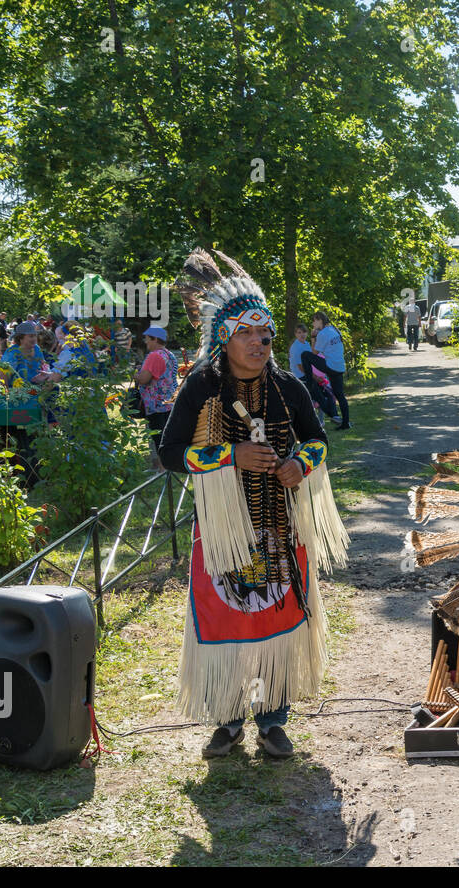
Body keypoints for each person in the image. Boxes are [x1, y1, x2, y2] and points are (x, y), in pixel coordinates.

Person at [160, 249, 348, 759]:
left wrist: (300, 466)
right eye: (247, 331)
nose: (260, 341)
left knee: (276, 622)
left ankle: (272, 720)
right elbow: (170, 453)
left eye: (265, 333)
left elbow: (318, 439)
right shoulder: (200, 387)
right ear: (223, 336)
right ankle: (225, 720)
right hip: (223, 530)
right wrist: (230, 455)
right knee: (228, 618)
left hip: (281, 526)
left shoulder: (289, 388)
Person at [134, 325, 178, 457]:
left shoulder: (153, 356)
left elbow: (143, 379)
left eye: (147, 339)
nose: (145, 341)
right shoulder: (169, 355)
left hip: (155, 405)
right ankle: (164, 465)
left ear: (155, 339)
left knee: (158, 439)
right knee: (167, 436)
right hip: (169, 403)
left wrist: (136, 374)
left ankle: (162, 468)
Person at [301, 311, 349, 430]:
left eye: (314, 320)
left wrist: (313, 337)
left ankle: (309, 382)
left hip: (330, 366)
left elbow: (314, 353)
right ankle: (346, 423)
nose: (312, 323)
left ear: (320, 320)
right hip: (339, 367)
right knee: (340, 395)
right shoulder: (335, 329)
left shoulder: (322, 334)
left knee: (305, 355)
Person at [288, 323, 339, 425]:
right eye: (299, 332)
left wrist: (313, 339)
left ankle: (327, 419)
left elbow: (313, 355)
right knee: (318, 397)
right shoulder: (295, 348)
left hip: (311, 375)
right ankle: (328, 418)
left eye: (304, 332)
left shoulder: (306, 344)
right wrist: (315, 377)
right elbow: (301, 367)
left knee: (326, 395)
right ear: (295, 334)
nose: (302, 334)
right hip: (301, 378)